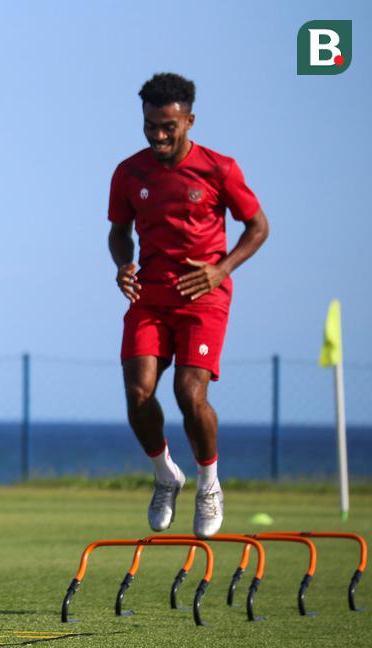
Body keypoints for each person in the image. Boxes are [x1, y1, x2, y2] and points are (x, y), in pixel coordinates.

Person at [107, 73, 269, 539]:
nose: (158, 135)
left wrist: (222, 269)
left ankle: (209, 482)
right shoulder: (128, 172)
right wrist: (124, 263)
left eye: (168, 127)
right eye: (151, 125)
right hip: (149, 296)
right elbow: (119, 231)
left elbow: (257, 226)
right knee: (139, 395)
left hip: (204, 296)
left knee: (189, 394)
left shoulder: (219, 169)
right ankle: (164, 475)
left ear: (189, 121)